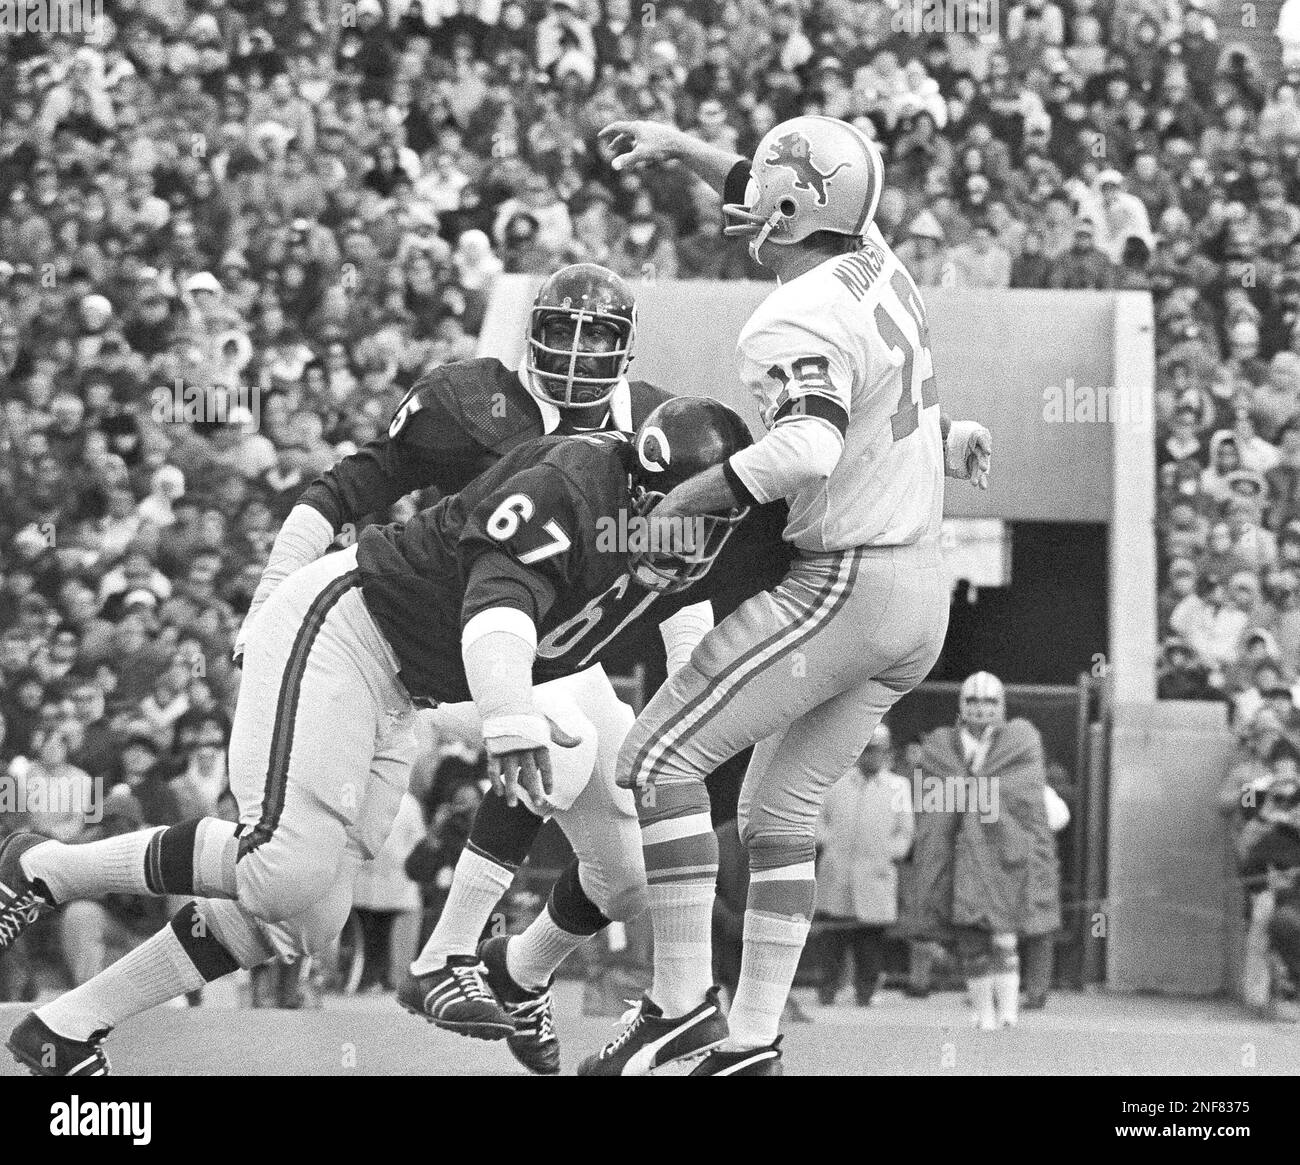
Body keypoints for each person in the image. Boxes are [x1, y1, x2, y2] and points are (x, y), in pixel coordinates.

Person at [0, 398, 753, 1076]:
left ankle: (64, 1027)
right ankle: (48, 864)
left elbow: (688, 622)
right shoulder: (579, 483)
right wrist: (511, 717)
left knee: (304, 922)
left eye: (709, 520)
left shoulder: (690, 536)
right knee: (284, 872)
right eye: (677, 512)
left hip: (409, 682)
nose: (688, 538)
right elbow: (496, 606)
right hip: (350, 626)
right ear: (639, 489)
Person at [237, 263, 736, 1074]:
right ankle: (448, 952)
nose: (579, 352)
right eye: (564, 331)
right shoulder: (472, 401)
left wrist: (684, 697)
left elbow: (680, 572)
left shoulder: (654, 423)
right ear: (531, 334)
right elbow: (343, 489)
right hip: (452, 636)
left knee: (631, 868)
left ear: (627, 346)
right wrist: (266, 600)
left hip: (559, 648)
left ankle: (521, 970)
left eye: (599, 335)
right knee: (560, 732)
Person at [578, 114, 992, 1076]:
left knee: (657, 759)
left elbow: (807, 445)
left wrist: (678, 506)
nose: (747, 199)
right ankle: (753, 1040)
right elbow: (809, 208)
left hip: (849, 581)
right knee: (775, 813)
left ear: (795, 205)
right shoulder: (874, 260)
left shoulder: (791, 316)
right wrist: (684, 148)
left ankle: (679, 1005)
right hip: (919, 591)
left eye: (763, 187)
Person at [907, 672, 1063, 1030]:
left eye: (989, 702)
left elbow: (1024, 796)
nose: (981, 709)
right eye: (973, 702)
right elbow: (932, 799)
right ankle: (983, 1014)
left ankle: (1008, 1012)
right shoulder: (940, 745)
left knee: (1005, 933)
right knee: (971, 938)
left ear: (1001, 706)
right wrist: (973, 787)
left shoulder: (1021, 740)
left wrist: (972, 787)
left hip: (1004, 855)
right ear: (962, 706)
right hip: (958, 857)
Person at [814, 723, 913, 1007]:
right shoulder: (835, 782)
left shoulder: (898, 786)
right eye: (866, 750)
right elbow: (818, 820)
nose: (871, 756)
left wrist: (889, 854)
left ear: (886, 753)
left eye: (878, 751)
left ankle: (865, 992)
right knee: (833, 937)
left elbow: (905, 831)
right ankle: (827, 990)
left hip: (875, 874)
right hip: (839, 872)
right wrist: (829, 843)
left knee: (869, 939)